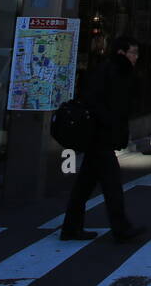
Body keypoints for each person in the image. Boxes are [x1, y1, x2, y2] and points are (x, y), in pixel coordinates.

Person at [61, 36, 145, 242]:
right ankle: (121, 227)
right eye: (133, 53)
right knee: (112, 184)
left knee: (84, 185)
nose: (136, 57)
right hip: (101, 137)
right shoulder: (113, 72)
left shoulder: (107, 70)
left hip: (98, 137)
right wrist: (110, 126)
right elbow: (106, 105)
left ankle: (71, 227)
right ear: (121, 53)